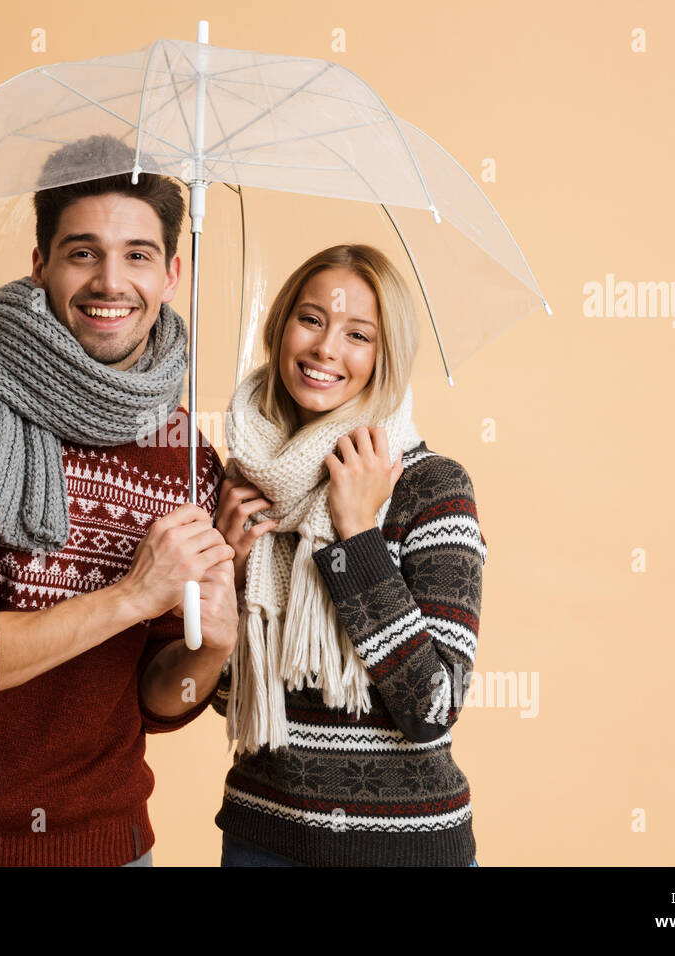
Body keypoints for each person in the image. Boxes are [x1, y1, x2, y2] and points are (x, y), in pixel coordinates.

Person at [0, 134, 236, 866]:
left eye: (136, 254)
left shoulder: (187, 456)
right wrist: (132, 595)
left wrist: (214, 644)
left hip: (111, 846)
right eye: (82, 252)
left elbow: (155, 704)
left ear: (172, 272)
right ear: (40, 266)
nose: (109, 281)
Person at [210, 243, 487, 867]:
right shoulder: (241, 484)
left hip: (404, 849)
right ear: (280, 327)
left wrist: (358, 536)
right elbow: (231, 702)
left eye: (357, 334)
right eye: (310, 319)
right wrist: (224, 576)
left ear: (384, 358)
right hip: (262, 839)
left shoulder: (431, 487)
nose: (325, 349)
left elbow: (432, 707)